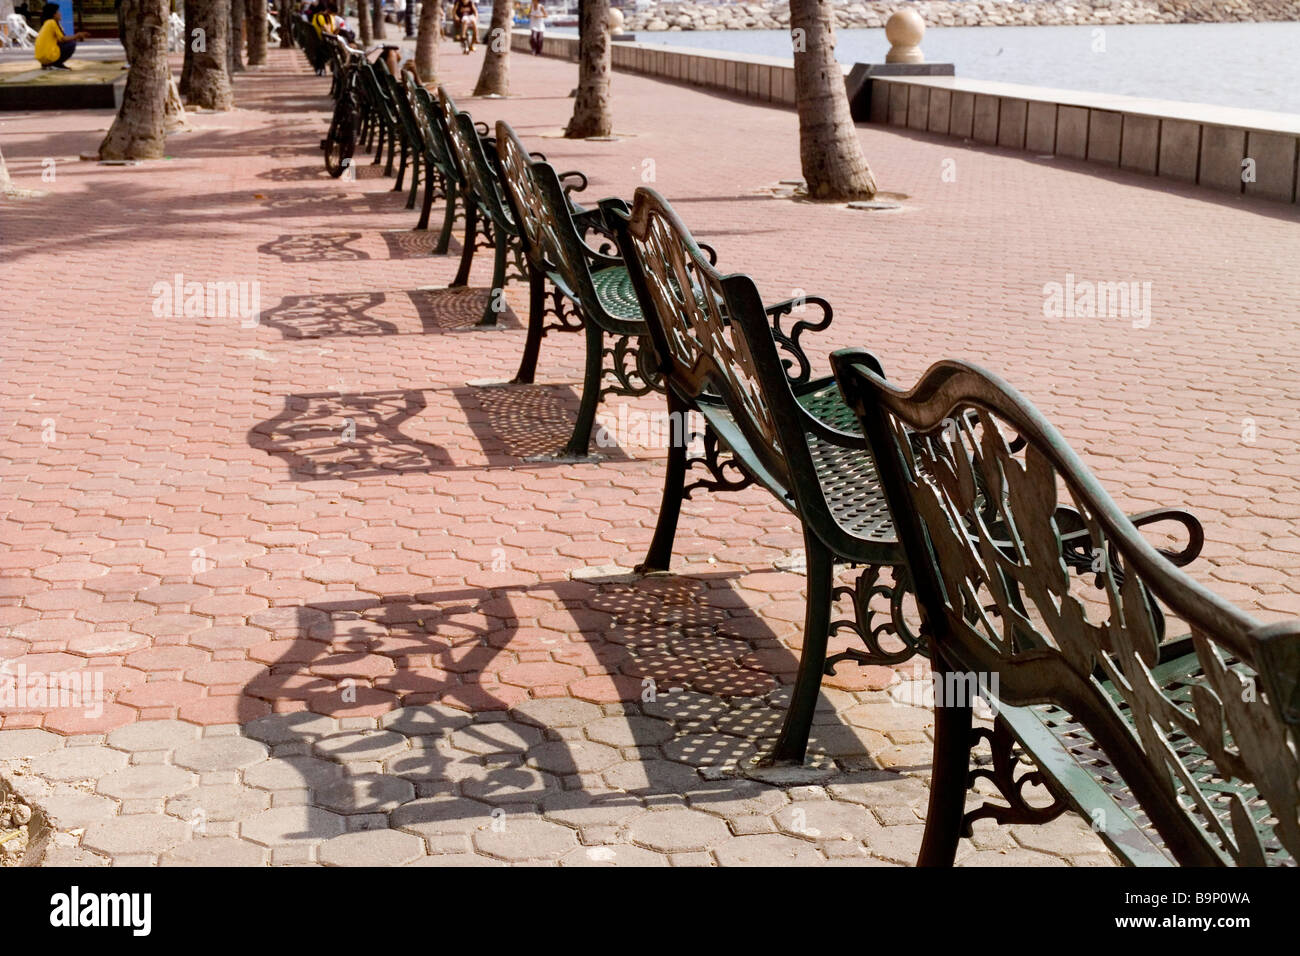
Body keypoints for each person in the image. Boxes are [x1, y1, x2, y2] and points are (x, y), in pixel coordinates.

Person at [33, 4, 89, 71]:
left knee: (66, 43)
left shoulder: (46, 23)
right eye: (58, 12)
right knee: (71, 44)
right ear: (54, 14)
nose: (60, 14)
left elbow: (60, 39)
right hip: (47, 56)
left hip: (41, 57)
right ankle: (56, 64)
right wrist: (77, 35)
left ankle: (48, 64)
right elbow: (63, 39)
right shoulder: (52, 22)